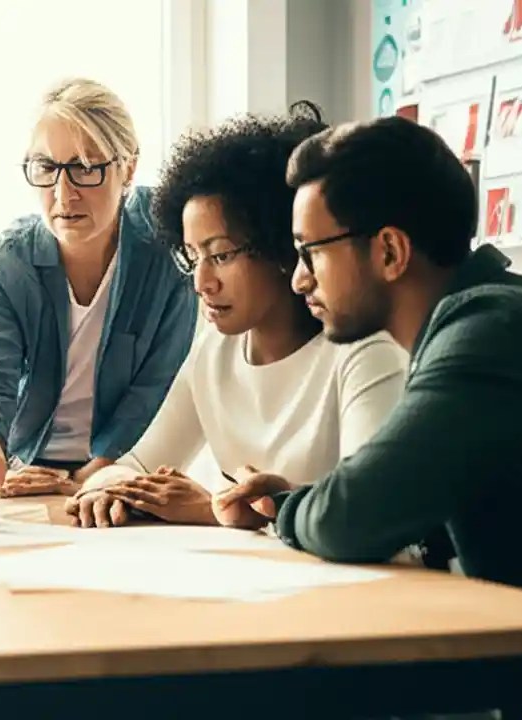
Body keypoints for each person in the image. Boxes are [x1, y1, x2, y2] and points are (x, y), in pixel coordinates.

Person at [213, 116, 522, 600]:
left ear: (389, 251)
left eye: (311, 253)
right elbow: (407, 506)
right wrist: (290, 501)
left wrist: (288, 509)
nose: (299, 280)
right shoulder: (493, 315)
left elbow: (348, 519)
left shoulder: (490, 332)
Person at [64, 104, 408, 528]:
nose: (201, 282)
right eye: (193, 257)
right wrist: (107, 487)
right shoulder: (214, 354)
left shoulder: (364, 352)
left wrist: (213, 508)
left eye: (221, 255)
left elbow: (369, 515)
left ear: (283, 248)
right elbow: (136, 461)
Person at [0, 78, 197, 523]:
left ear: (129, 168)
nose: (63, 195)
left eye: (85, 168)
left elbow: (156, 388)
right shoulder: (3, 263)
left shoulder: (170, 246)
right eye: (46, 168)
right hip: (27, 474)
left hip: (125, 469)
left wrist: (89, 478)